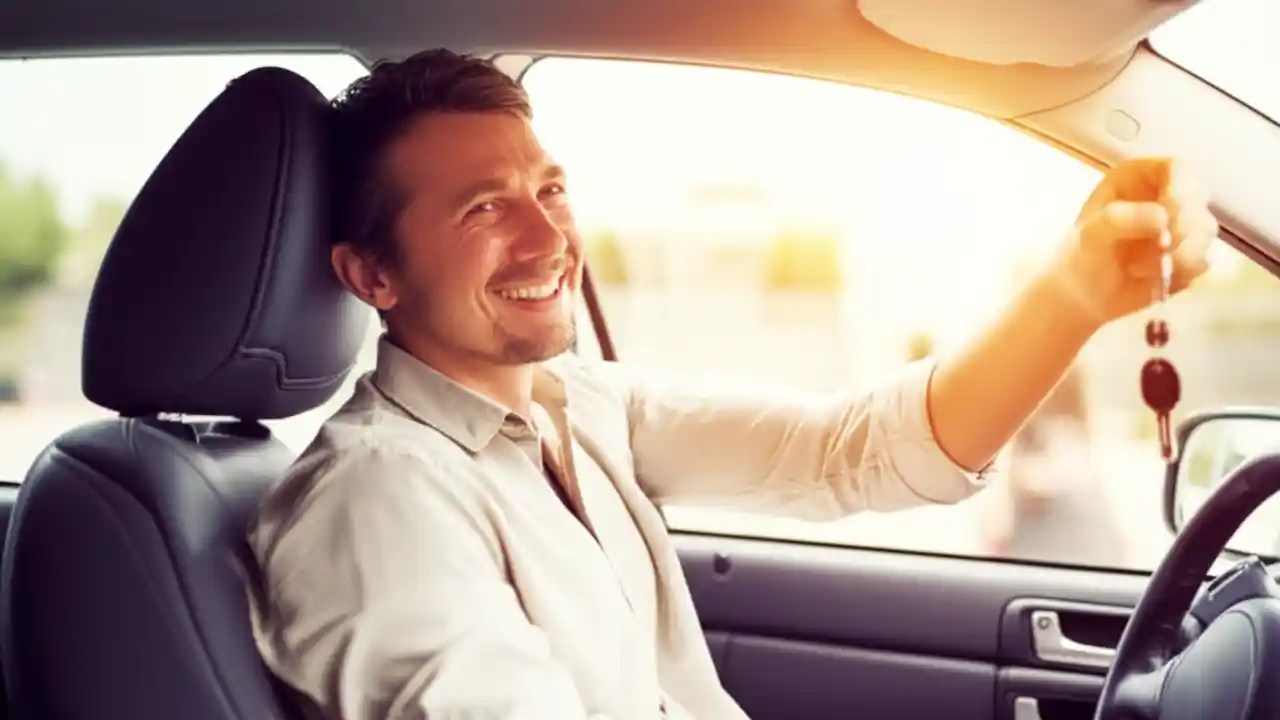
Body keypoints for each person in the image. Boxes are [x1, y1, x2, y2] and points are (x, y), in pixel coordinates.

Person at [245, 49, 1218, 720]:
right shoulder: (374, 503)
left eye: (548, 190)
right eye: (483, 209)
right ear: (371, 277)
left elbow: (851, 452)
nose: (548, 240)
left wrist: (1075, 291)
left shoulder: (575, 401)